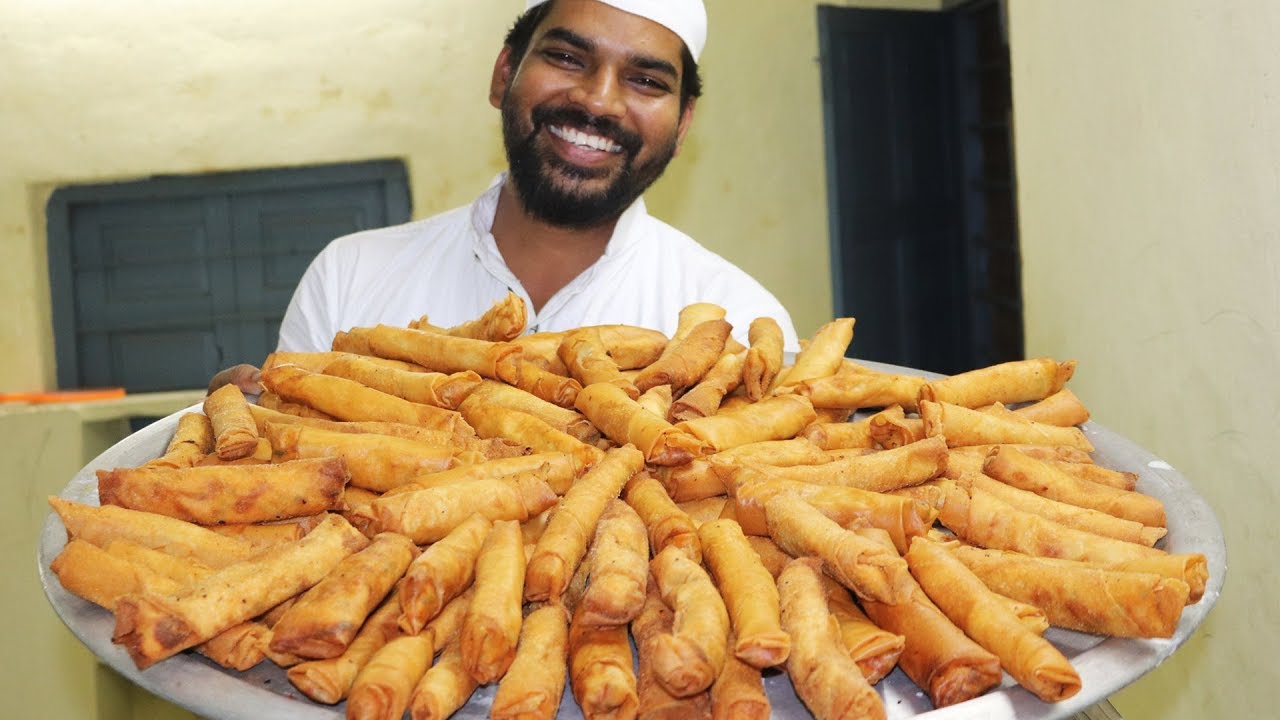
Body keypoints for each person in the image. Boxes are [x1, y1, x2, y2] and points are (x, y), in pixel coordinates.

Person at [210, 0, 797, 394]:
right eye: (567, 58)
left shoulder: (740, 322)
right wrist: (237, 436)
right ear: (503, 74)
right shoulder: (350, 278)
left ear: (683, 124)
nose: (597, 102)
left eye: (646, 81)